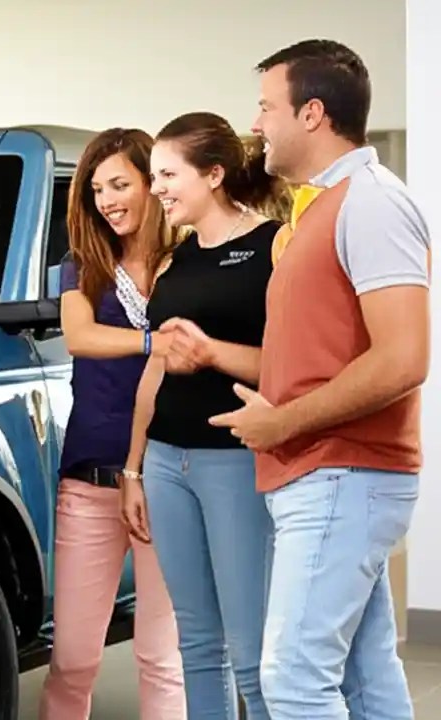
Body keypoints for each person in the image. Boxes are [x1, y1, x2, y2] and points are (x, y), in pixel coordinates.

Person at [208, 39, 430, 720]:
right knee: (366, 680)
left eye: (266, 108)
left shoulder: (372, 203)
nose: (256, 125)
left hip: (343, 474)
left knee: (295, 680)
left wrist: (283, 421)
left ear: (312, 114)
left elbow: (404, 357)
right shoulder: (321, 210)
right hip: (326, 475)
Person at [120, 111, 287, 719]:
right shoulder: (176, 259)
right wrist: (134, 469)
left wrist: (213, 353)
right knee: (195, 642)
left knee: (251, 650)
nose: (156, 188)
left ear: (213, 175)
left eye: (168, 175)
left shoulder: (274, 247)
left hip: (236, 463)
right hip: (167, 463)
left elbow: (293, 367)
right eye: (154, 175)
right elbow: (155, 371)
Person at [38, 128, 186, 720]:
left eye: (120, 185)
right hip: (91, 481)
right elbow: (80, 337)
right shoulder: (82, 266)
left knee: (163, 658)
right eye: (97, 190)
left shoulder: (188, 263)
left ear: (152, 182)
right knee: (73, 661)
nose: (107, 201)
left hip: (170, 478)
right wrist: (156, 341)